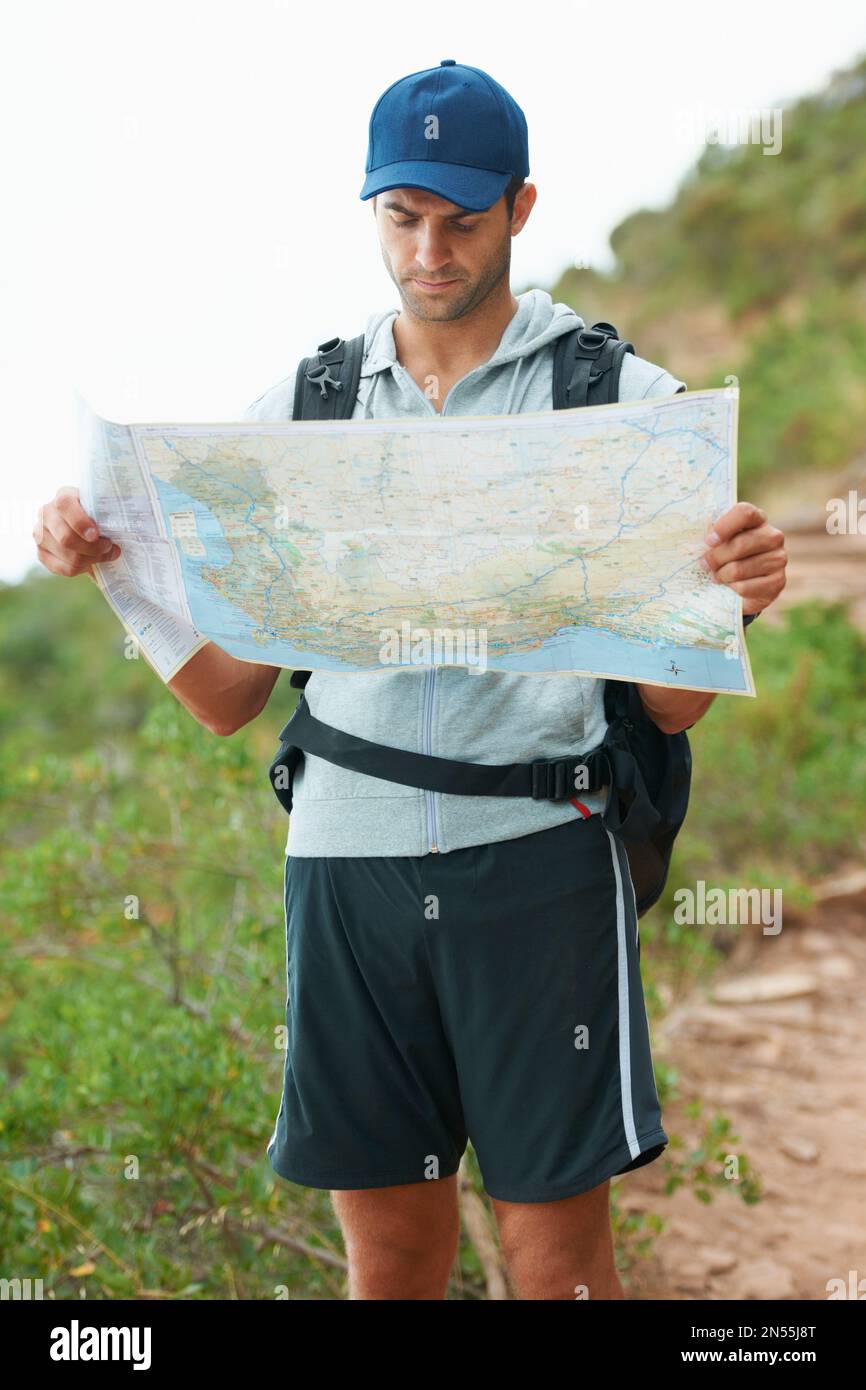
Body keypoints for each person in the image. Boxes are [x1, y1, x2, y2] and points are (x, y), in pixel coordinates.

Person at [34, 60, 788, 1300]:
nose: (429, 249)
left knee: (557, 1265)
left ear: (520, 206)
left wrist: (727, 596)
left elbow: (664, 705)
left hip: (539, 856)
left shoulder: (617, 403)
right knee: (388, 1266)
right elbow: (230, 697)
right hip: (344, 869)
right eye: (402, 217)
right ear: (371, 209)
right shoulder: (305, 411)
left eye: (460, 218)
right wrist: (115, 570)